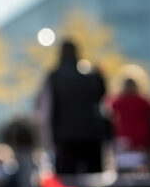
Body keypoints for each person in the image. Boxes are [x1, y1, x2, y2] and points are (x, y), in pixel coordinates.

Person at [41, 40, 107, 174]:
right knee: (94, 179)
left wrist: (49, 137)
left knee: (67, 179)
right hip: (90, 134)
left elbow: (46, 109)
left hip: (64, 136)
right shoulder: (91, 77)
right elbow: (102, 95)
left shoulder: (54, 77)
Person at [110, 78, 150, 172]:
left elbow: (112, 111)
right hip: (142, 134)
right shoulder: (143, 101)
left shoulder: (119, 101)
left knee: (124, 163)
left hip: (124, 134)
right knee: (143, 162)